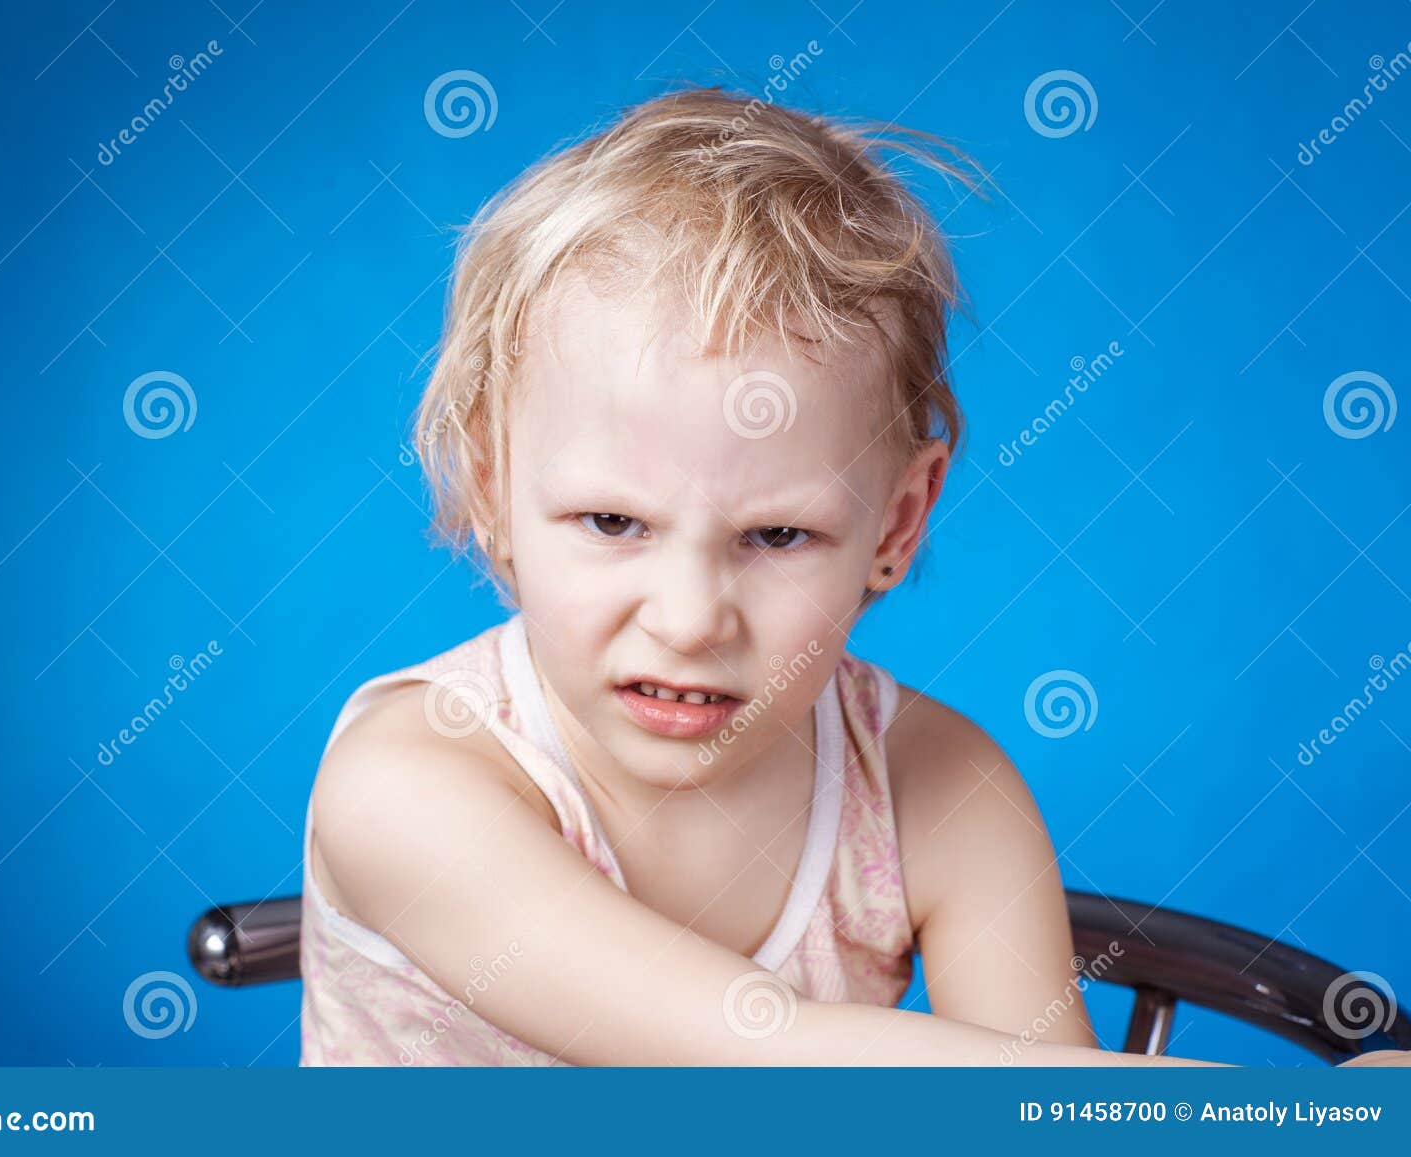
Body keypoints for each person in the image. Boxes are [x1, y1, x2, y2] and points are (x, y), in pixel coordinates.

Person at [298, 86, 1408, 1068]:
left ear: (899, 517)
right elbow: (755, 1049)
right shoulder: (411, 780)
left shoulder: (934, 785)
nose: (688, 620)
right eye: (611, 520)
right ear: (490, 489)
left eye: (776, 535)